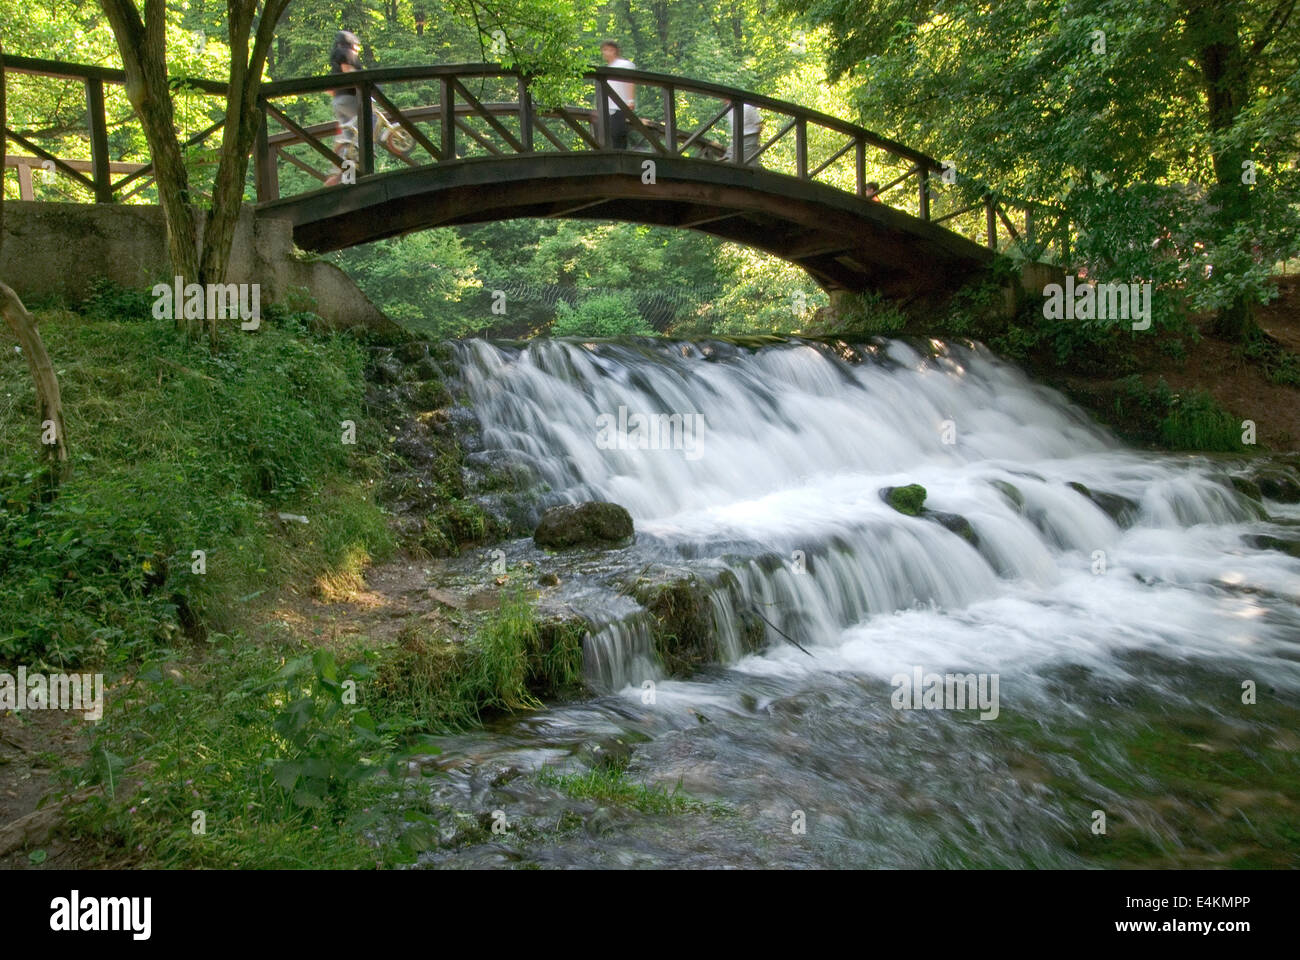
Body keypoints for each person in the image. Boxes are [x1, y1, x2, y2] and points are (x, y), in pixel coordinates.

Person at [324, 31, 362, 186]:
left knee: (348, 139)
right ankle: (361, 159)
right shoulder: (345, 54)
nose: (358, 48)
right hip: (349, 100)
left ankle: (345, 179)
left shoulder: (335, 56)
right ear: (351, 43)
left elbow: (329, 89)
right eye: (357, 45)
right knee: (369, 123)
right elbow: (350, 73)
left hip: (339, 101)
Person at [598, 40, 636, 149]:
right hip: (608, 108)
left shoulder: (624, 65)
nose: (604, 53)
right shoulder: (608, 68)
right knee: (610, 137)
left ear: (613, 50)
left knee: (618, 135)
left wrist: (630, 100)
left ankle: (622, 158)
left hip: (620, 106)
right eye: (603, 50)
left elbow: (630, 81)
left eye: (606, 49)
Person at [722, 98, 762, 165]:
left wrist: (756, 138)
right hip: (737, 138)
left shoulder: (747, 107)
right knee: (730, 159)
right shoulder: (729, 109)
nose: (723, 100)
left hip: (750, 136)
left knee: (750, 161)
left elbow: (758, 123)